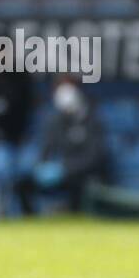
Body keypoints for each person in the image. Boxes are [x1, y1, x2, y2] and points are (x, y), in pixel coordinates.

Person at [14, 75, 110, 214]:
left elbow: (96, 157)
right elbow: (46, 150)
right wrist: (42, 167)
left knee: (81, 185)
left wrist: (66, 168)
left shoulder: (92, 119)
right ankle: (31, 220)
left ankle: (77, 218)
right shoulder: (54, 121)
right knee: (22, 184)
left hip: (81, 175)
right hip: (60, 175)